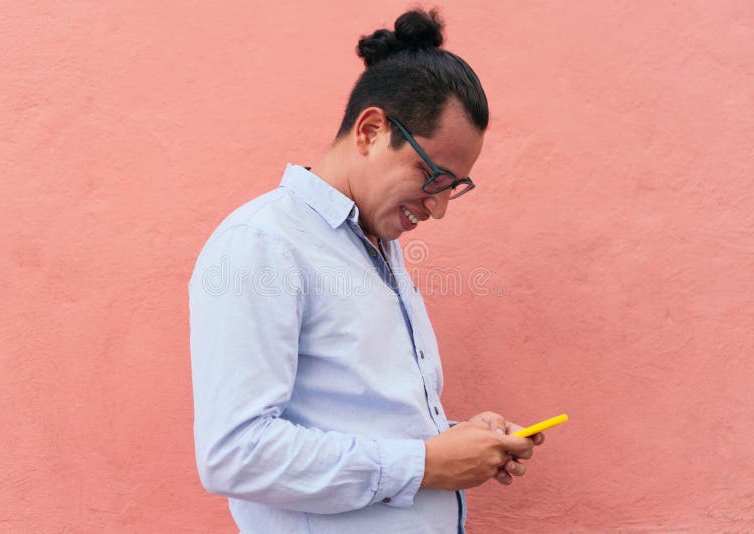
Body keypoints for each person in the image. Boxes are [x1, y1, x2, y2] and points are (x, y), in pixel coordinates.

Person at [189, 9, 545, 533]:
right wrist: (426, 464)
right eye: (432, 176)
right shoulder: (263, 244)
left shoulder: (376, 243)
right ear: (372, 130)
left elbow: (360, 421)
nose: (439, 208)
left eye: (454, 187)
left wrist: (457, 442)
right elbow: (235, 453)